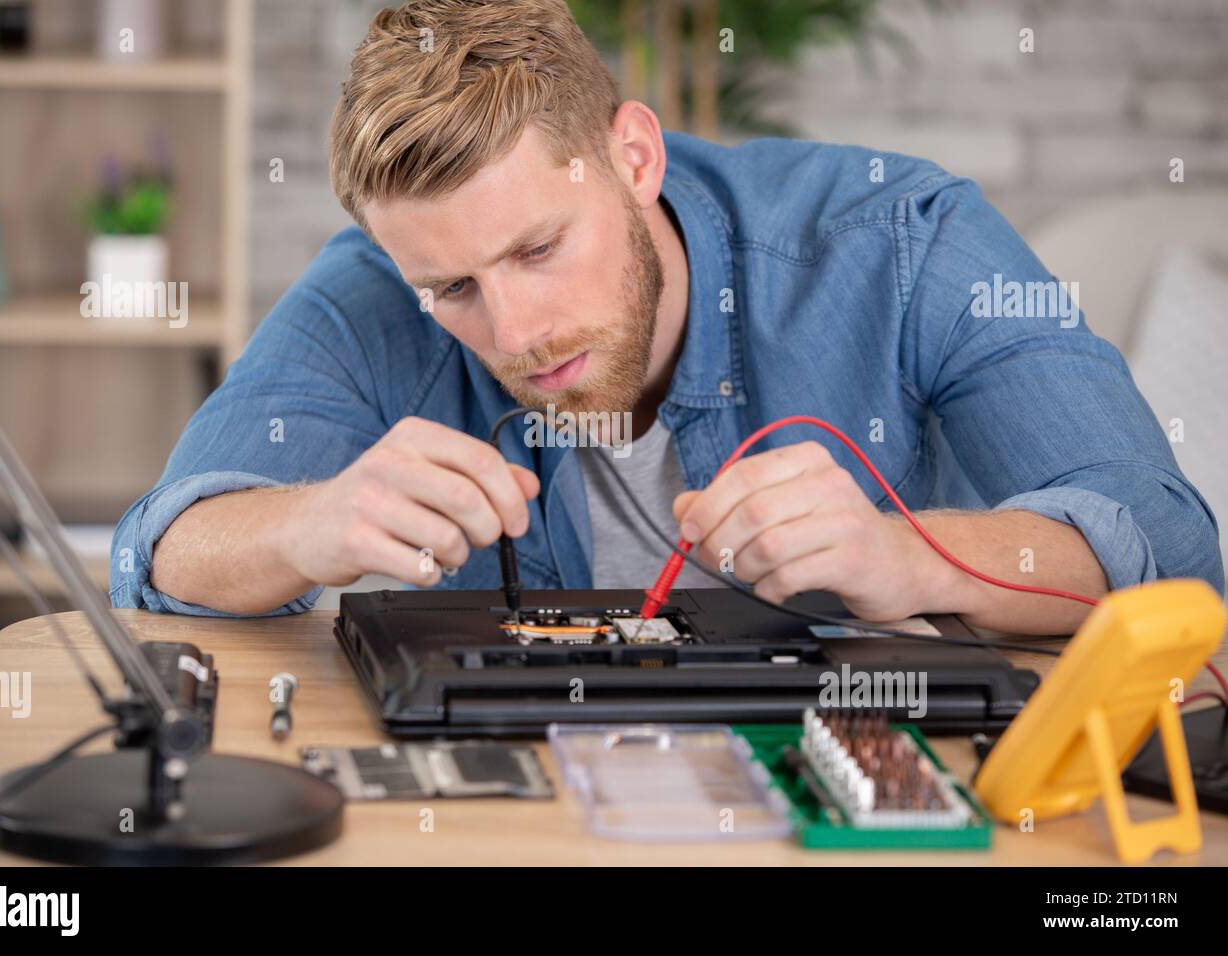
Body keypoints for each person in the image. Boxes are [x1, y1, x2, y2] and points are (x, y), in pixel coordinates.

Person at [111, 0, 1222, 634]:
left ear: (631, 155)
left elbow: (1170, 552)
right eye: (452, 290)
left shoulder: (902, 235)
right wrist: (308, 523)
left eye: (539, 248)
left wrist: (911, 555)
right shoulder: (374, 284)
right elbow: (163, 541)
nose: (513, 330)